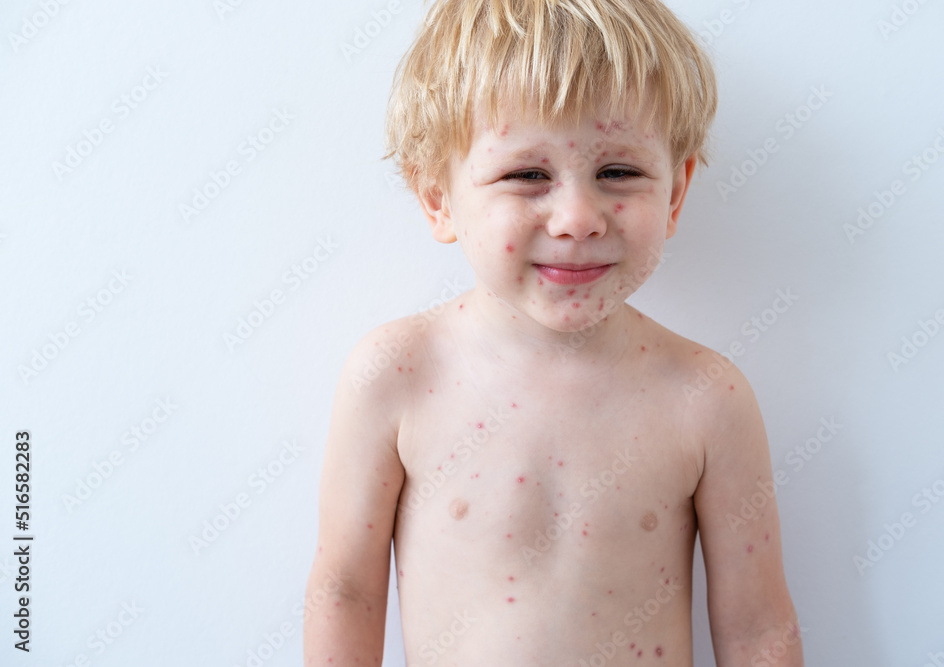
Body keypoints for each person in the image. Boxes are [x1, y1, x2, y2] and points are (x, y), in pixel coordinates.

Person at [305, 1, 802, 664]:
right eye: (527, 175)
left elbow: (758, 628)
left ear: (675, 194)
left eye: (618, 172)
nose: (576, 217)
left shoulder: (707, 399)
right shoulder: (396, 376)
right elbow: (345, 593)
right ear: (437, 197)